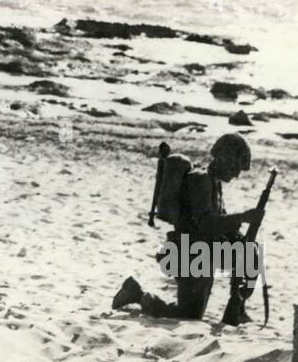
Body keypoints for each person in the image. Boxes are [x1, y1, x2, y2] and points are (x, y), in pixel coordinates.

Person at [111, 133, 260, 322]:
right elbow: (205, 223)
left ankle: (238, 305)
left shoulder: (214, 184)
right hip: (187, 253)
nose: (237, 174)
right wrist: (243, 217)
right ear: (224, 158)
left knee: (250, 252)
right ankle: (136, 294)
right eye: (235, 167)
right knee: (188, 315)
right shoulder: (200, 180)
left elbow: (221, 222)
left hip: (204, 251)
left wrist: (241, 237)